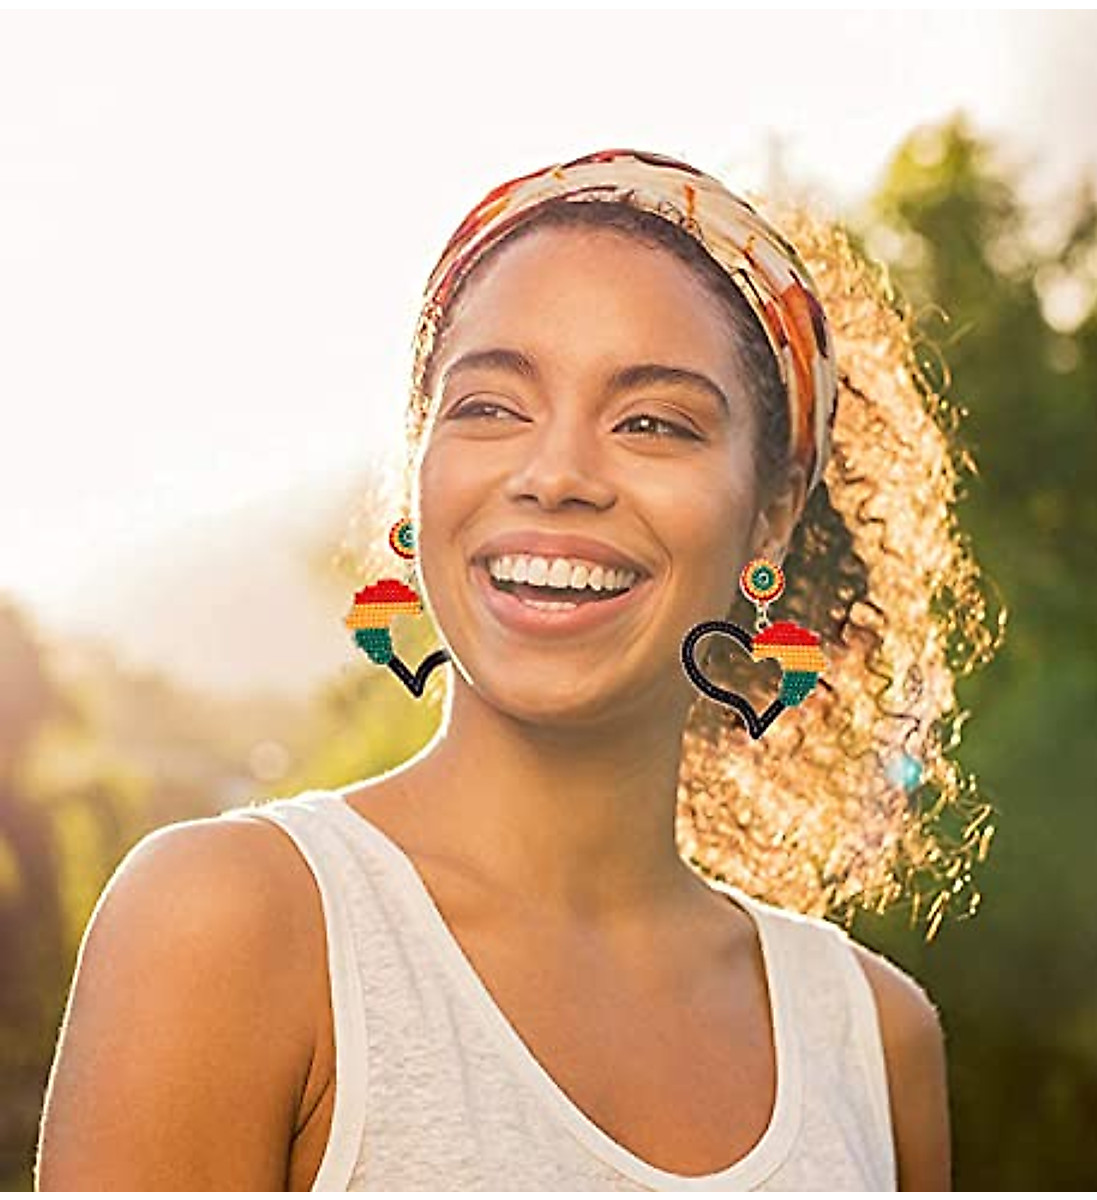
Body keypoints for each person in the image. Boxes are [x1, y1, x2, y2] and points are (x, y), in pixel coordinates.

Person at [36, 148, 958, 1190]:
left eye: (652, 422)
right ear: (420, 466)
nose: (556, 474)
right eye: (489, 406)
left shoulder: (874, 1043)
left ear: (774, 512)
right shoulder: (230, 923)